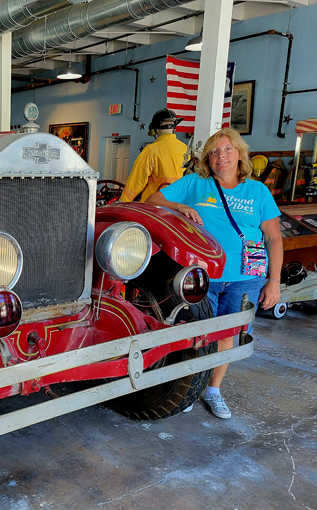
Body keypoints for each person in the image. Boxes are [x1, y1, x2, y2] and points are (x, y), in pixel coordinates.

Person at [146, 127, 283, 419]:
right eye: (214, 151)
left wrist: (274, 282)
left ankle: (213, 390)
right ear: (208, 159)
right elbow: (152, 201)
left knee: (226, 335)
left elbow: (273, 238)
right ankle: (190, 388)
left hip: (245, 276)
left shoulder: (257, 191)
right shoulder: (195, 183)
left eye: (227, 149)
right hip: (200, 276)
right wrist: (177, 205)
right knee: (195, 334)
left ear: (239, 155)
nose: (221, 156)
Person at [119, 108, 188, 202]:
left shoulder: (150, 151)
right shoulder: (186, 149)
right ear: (174, 128)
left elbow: (136, 182)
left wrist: (122, 202)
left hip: (154, 207)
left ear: (155, 130)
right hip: (180, 205)